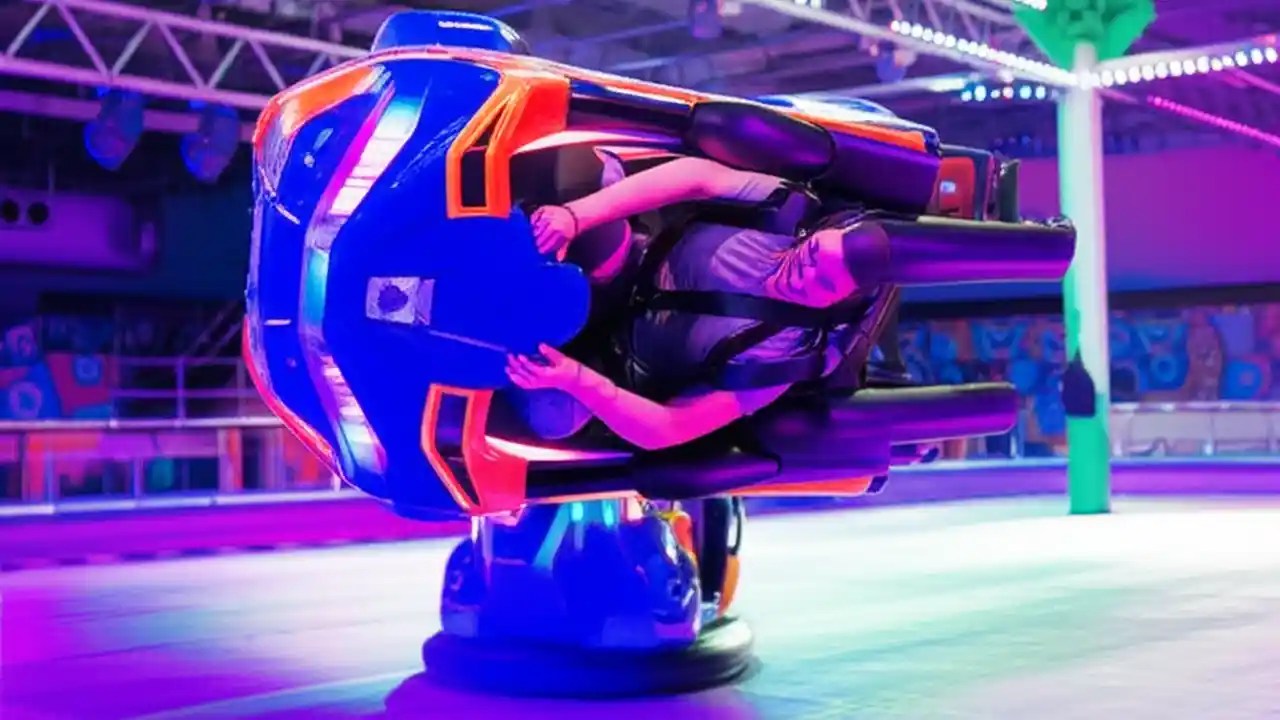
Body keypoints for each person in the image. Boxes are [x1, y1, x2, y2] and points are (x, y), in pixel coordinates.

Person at [506, 154, 872, 451]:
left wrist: (579, 380)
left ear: (837, 301)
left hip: (613, 364)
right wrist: (576, 216)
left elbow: (670, 428)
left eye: (822, 282)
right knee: (582, 176)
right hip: (630, 263)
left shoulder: (785, 359)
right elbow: (699, 178)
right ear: (815, 234)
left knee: (551, 415)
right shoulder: (786, 210)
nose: (803, 273)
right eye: (811, 254)